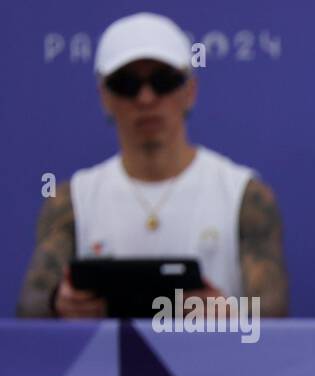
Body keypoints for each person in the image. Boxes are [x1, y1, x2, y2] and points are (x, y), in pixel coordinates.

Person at [17, 12, 288, 318]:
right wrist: (58, 302)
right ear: (104, 97)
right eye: (126, 84)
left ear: (190, 92)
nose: (146, 99)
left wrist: (231, 313)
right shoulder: (73, 200)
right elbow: (30, 306)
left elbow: (274, 311)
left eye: (163, 81)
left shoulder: (243, 195)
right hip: (106, 365)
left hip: (214, 365)